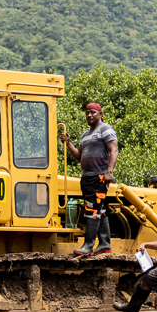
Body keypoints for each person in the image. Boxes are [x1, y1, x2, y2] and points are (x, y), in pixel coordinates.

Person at [61, 102, 118, 256]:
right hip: (87, 177)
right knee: (101, 210)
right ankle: (105, 244)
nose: (89, 115)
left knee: (92, 209)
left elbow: (114, 149)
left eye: (93, 112)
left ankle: (88, 246)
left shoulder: (105, 129)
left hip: (98, 177)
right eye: (87, 112)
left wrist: (109, 172)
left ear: (100, 114)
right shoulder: (86, 134)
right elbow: (79, 157)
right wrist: (68, 144)